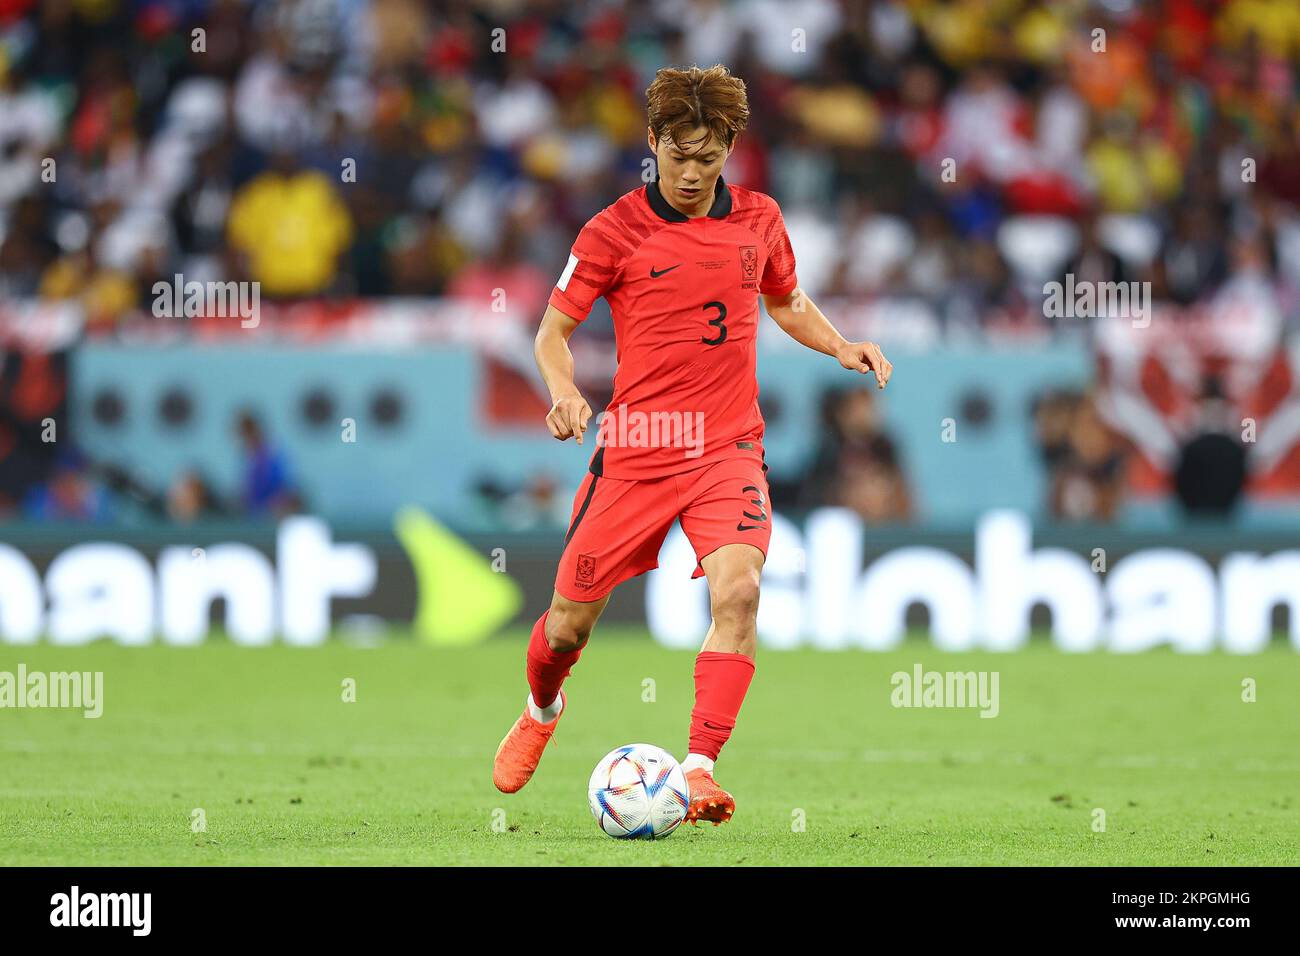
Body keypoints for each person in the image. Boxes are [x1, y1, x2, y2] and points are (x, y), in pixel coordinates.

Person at [491, 65, 893, 825]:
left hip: (727, 447)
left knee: (739, 591)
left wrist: (839, 345)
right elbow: (552, 333)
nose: (689, 172)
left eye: (707, 159)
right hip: (638, 449)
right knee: (567, 625)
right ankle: (542, 711)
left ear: (731, 150)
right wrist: (566, 393)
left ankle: (700, 768)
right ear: (652, 143)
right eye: (677, 156)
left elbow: (785, 299)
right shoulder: (611, 230)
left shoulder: (761, 219)